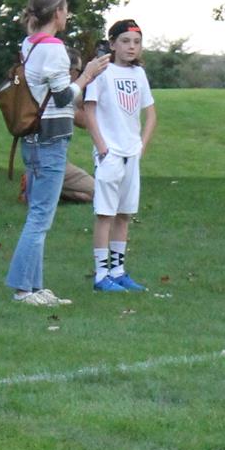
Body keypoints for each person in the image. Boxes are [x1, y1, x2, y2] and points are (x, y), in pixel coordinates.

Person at [4, 0, 108, 308]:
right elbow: (64, 97)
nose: (67, 14)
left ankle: (35, 287)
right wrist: (87, 75)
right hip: (50, 140)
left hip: (34, 139)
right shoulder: (54, 49)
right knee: (40, 218)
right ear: (58, 13)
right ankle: (23, 289)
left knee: (39, 214)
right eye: (66, 9)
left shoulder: (30, 44)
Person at [81, 18, 157, 292]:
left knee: (124, 214)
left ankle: (118, 269)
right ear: (112, 44)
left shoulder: (139, 75)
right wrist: (102, 146)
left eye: (136, 42)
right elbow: (89, 110)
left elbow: (151, 114)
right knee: (106, 214)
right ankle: (101, 274)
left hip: (130, 155)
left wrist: (141, 145)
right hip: (110, 155)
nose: (131, 47)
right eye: (125, 41)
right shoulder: (103, 72)